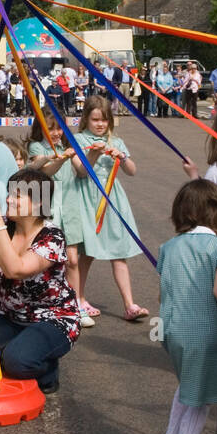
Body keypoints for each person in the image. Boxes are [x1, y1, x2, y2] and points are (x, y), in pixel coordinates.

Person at [0, 163, 80, 394]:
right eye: (10, 194)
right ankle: (15, 348)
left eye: (18, 196)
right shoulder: (6, 226)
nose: (10, 200)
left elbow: (16, 270)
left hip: (52, 318)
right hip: (9, 316)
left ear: (39, 202)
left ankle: (47, 369)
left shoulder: (52, 237)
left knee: (18, 361)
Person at [154, 180, 217, 434]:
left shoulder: (168, 247)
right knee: (200, 399)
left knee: (188, 385)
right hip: (206, 333)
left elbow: (164, 294)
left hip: (171, 329)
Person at [72, 95, 149, 321]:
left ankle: (129, 304)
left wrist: (122, 158)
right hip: (87, 200)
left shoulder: (115, 141)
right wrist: (93, 154)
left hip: (113, 201)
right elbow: (82, 172)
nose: (100, 124)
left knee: (119, 253)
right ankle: (80, 299)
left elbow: (132, 171)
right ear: (86, 119)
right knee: (87, 253)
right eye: (95, 119)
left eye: (104, 120)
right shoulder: (77, 140)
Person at [26, 114, 86, 324]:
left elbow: (82, 172)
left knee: (73, 260)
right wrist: (62, 158)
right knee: (45, 260)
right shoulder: (36, 147)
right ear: (41, 128)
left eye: (59, 129)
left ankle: (76, 304)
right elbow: (46, 170)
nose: (56, 133)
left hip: (69, 207)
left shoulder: (67, 146)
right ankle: (45, 303)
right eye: (51, 128)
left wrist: (92, 154)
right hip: (48, 207)